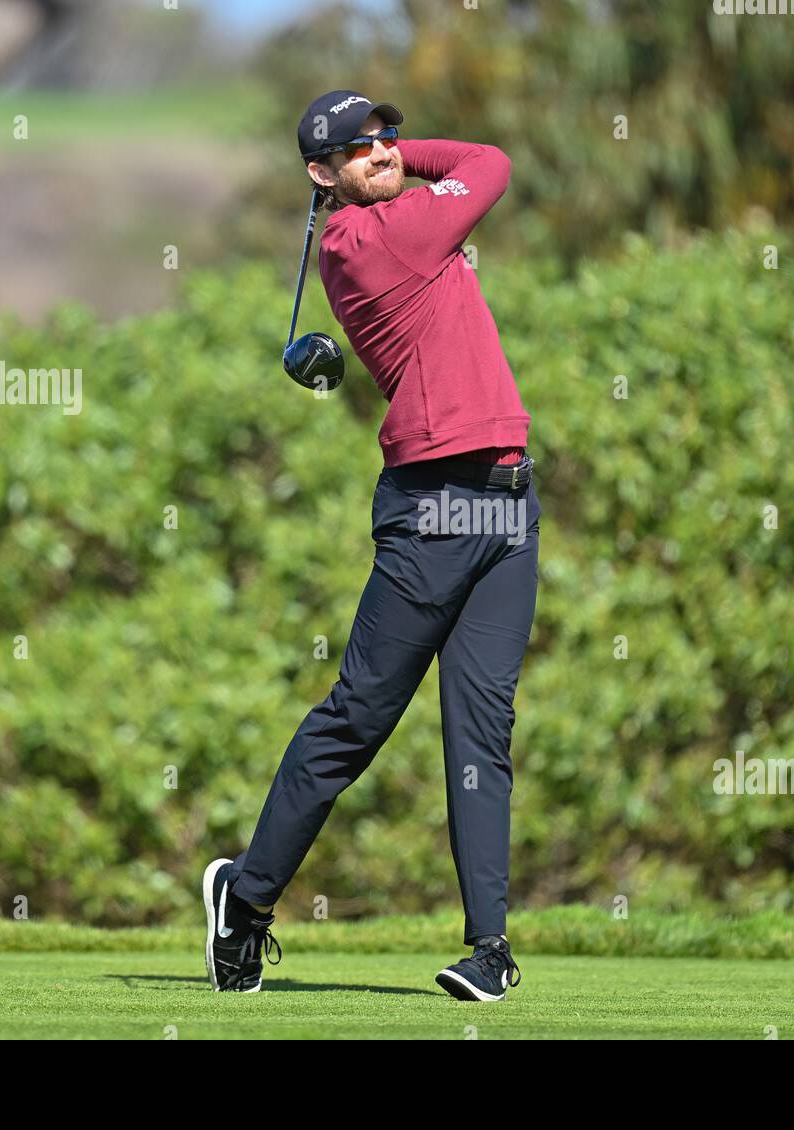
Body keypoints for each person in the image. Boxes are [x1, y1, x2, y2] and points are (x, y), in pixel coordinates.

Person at [204, 90, 537, 1002]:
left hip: (509, 506)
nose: (383, 149)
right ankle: (245, 900)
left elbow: (464, 172)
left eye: (387, 134)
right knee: (358, 718)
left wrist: (394, 166)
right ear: (324, 175)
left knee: (484, 728)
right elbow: (491, 162)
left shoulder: (395, 218)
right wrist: (414, 174)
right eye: (356, 147)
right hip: (436, 508)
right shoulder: (374, 239)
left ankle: (489, 949)